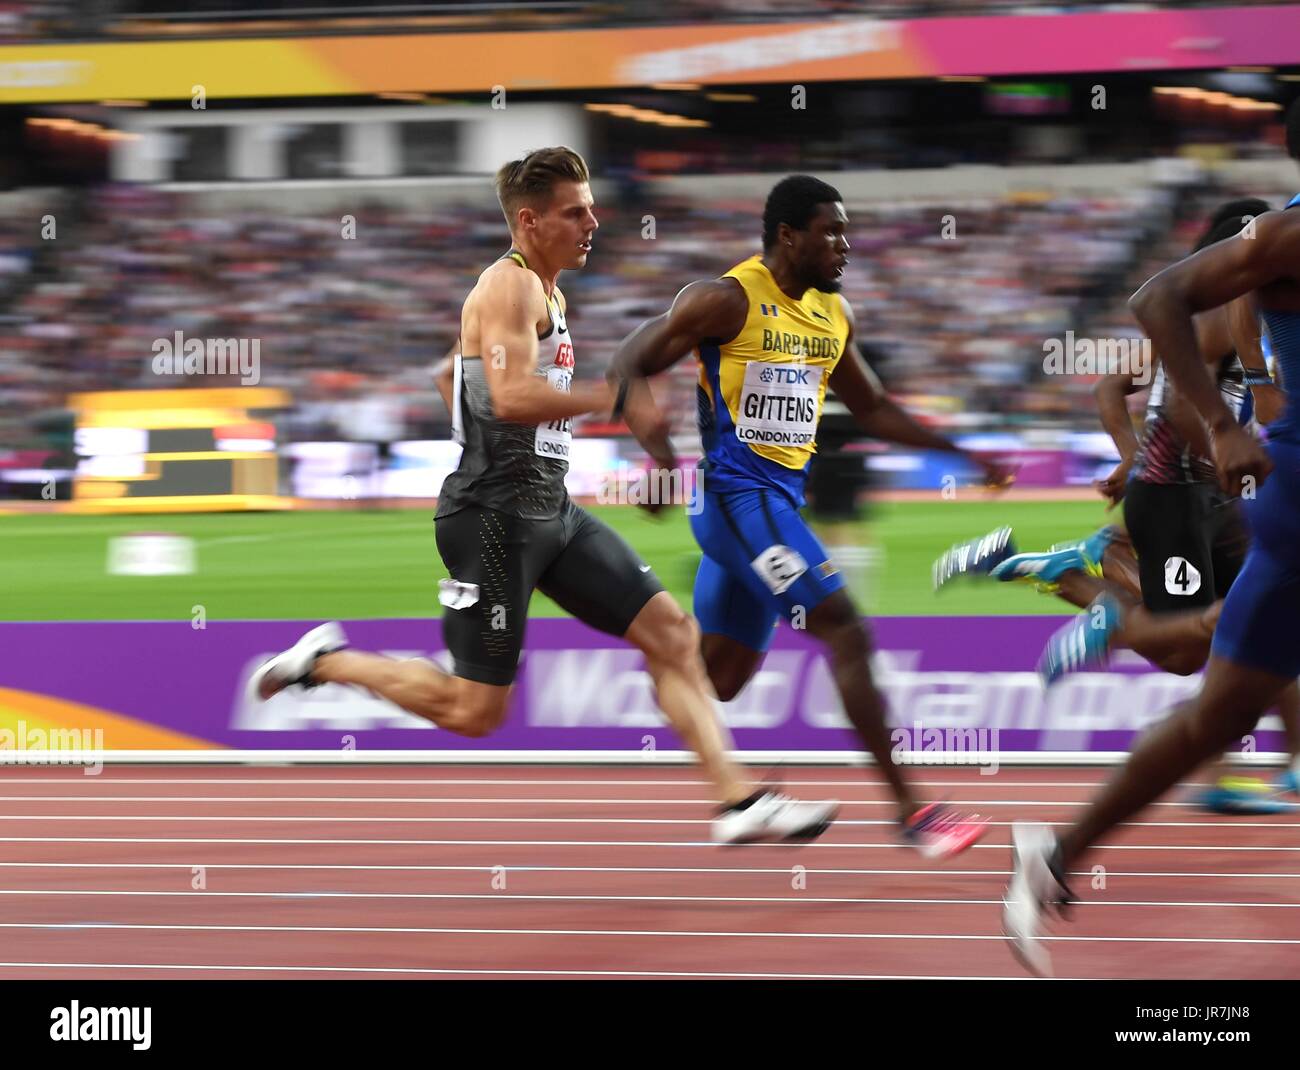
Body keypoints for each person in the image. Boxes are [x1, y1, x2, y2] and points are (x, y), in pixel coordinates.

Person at [250, 147, 837, 846]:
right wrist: (610, 394)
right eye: (576, 212)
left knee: (672, 635)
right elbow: (509, 394)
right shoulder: (509, 288)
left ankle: (738, 802)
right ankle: (326, 661)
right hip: (493, 524)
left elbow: (453, 374)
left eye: (590, 208)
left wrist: (482, 434)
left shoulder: (549, 293)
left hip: (550, 512)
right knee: (475, 712)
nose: (594, 221)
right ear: (529, 222)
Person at [609, 174, 1013, 858]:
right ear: (788, 236)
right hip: (737, 500)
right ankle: (914, 814)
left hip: (775, 505)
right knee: (845, 629)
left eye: (846, 232)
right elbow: (630, 360)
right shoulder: (724, 300)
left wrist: (961, 452)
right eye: (832, 231)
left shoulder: (832, 314)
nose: (845, 246)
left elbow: (874, 407)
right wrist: (660, 460)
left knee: (721, 681)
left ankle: (737, 796)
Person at [1003, 99, 1300, 975]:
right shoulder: (1283, 239)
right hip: (1207, 494)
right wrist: (1220, 425)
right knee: (1200, 671)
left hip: (1258, 496)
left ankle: (1056, 854)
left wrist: (1252, 424)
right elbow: (1153, 296)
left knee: (1222, 709)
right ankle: (1084, 589)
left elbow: (1273, 389)